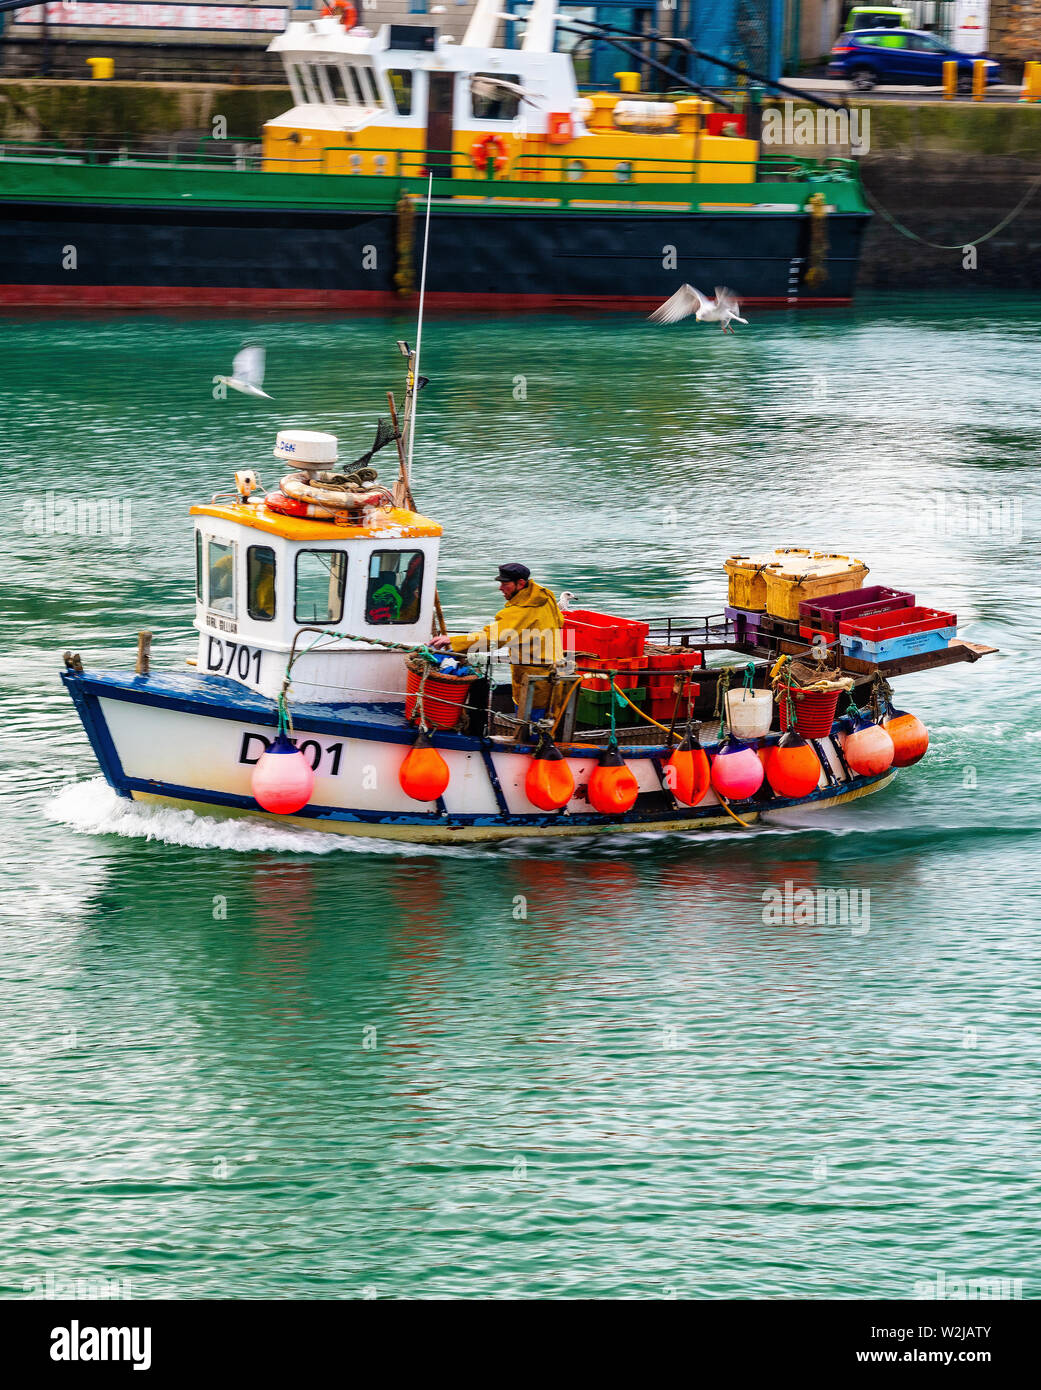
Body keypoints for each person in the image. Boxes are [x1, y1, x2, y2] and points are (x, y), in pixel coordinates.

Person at [431, 562, 563, 715]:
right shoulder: (546, 597)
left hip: (535, 684)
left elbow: (491, 639)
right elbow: (560, 621)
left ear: (520, 583)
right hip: (556, 676)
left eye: (505, 583)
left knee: (530, 728)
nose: (500, 588)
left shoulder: (520, 611)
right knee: (547, 725)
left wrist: (452, 641)